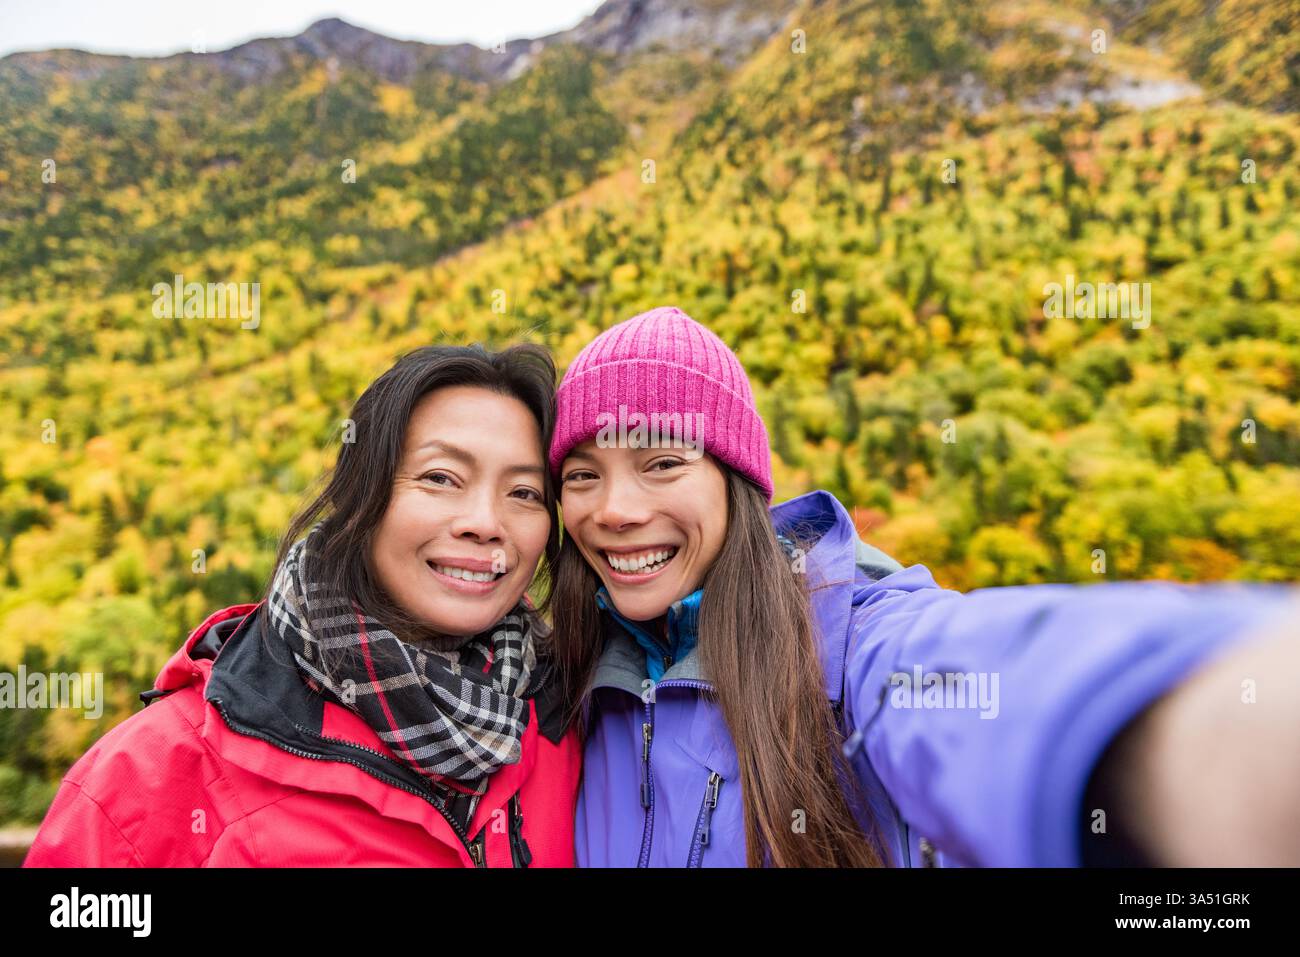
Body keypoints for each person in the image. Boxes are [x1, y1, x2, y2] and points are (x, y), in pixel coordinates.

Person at [548, 305, 1300, 867]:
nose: (614, 510)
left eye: (663, 464)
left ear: (736, 483)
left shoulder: (847, 644)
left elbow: (989, 685)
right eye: (583, 474)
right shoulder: (572, 681)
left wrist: (1181, 712)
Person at [25, 344, 580, 867]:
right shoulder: (159, 771)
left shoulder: (573, 724)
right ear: (360, 496)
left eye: (524, 493)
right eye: (440, 478)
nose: (485, 523)